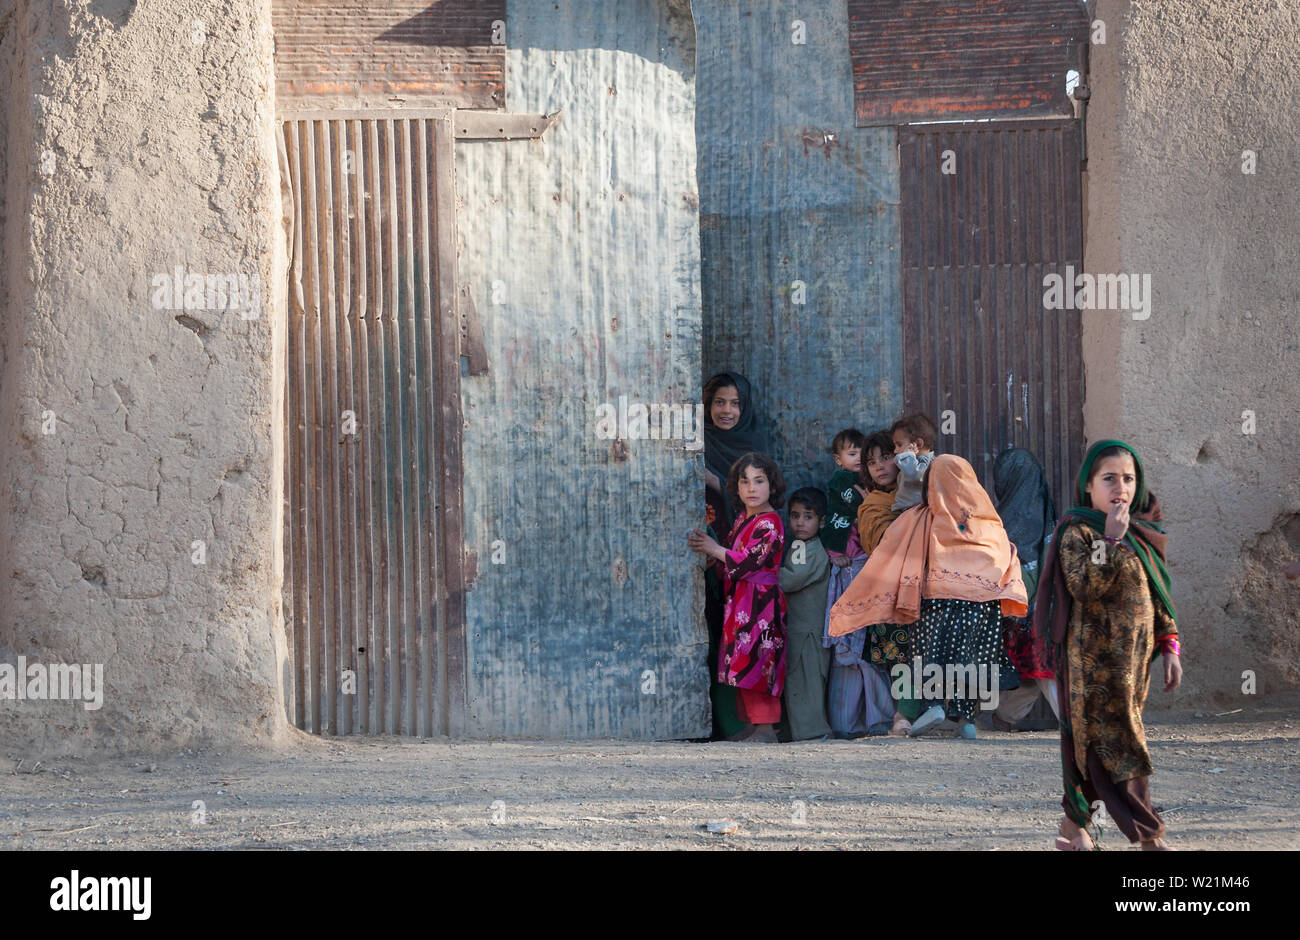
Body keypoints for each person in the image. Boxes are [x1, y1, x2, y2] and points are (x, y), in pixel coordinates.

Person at [1033, 440, 1181, 851]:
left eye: (1129, 478)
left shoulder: (1142, 534)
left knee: (1092, 750)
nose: (1121, 487)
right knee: (1123, 745)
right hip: (1091, 669)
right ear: (1089, 487)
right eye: (1109, 478)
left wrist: (1170, 646)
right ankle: (1149, 837)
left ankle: (1073, 830)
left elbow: (1157, 595)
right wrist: (1110, 542)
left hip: (1133, 668)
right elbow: (1085, 586)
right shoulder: (1076, 531)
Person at [829, 455, 1028, 740]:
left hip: (937, 602)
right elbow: (1004, 558)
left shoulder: (923, 516)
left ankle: (932, 706)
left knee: (927, 658)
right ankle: (966, 720)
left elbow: (894, 546)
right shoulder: (990, 523)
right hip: (983, 608)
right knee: (969, 661)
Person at [688, 452, 788, 744]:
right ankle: (750, 724)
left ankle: (767, 728)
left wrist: (713, 549)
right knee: (742, 663)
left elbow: (748, 562)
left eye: (759, 481)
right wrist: (714, 559)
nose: (751, 489)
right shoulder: (744, 518)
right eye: (744, 482)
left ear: (772, 486)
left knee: (760, 660)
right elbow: (730, 558)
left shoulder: (770, 523)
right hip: (741, 603)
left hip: (762, 604)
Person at [700, 372, 769, 739]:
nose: (727, 410)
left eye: (735, 403)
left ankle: (746, 726)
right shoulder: (697, 442)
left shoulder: (755, 446)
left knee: (742, 643)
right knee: (710, 640)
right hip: (703, 560)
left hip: (742, 565)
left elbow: (761, 502)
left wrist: (715, 482)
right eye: (719, 402)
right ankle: (714, 725)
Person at [822, 429, 893, 737]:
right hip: (852, 575)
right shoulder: (846, 490)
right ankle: (847, 723)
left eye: (883, 459)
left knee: (873, 655)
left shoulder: (889, 496)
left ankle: (880, 720)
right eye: (865, 459)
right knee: (849, 653)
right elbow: (844, 519)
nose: (876, 466)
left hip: (879, 582)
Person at [991, 447, 1062, 728]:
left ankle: (1000, 721)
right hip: (1043, 616)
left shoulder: (998, 523)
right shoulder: (1050, 517)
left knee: (1034, 673)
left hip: (1016, 618)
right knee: (1035, 674)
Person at [855, 429, 918, 735]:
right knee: (900, 656)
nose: (879, 466)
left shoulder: (925, 491)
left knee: (931, 651)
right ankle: (902, 715)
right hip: (890, 591)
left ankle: (943, 712)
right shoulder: (872, 505)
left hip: (928, 587)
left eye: (886, 457)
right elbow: (881, 543)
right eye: (871, 462)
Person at [779, 488, 833, 741]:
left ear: (822, 521)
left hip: (807, 634)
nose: (800, 522)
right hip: (803, 632)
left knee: (805, 683)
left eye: (808, 517)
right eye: (795, 515)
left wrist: (759, 574)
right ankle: (804, 732)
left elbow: (790, 580)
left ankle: (813, 733)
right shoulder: (799, 545)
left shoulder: (809, 548)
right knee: (801, 683)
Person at [890, 413, 938, 513]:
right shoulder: (911, 464)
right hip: (907, 514)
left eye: (899, 445)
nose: (895, 451)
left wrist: (908, 456)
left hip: (917, 514)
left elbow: (915, 476)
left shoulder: (926, 464)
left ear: (919, 444)